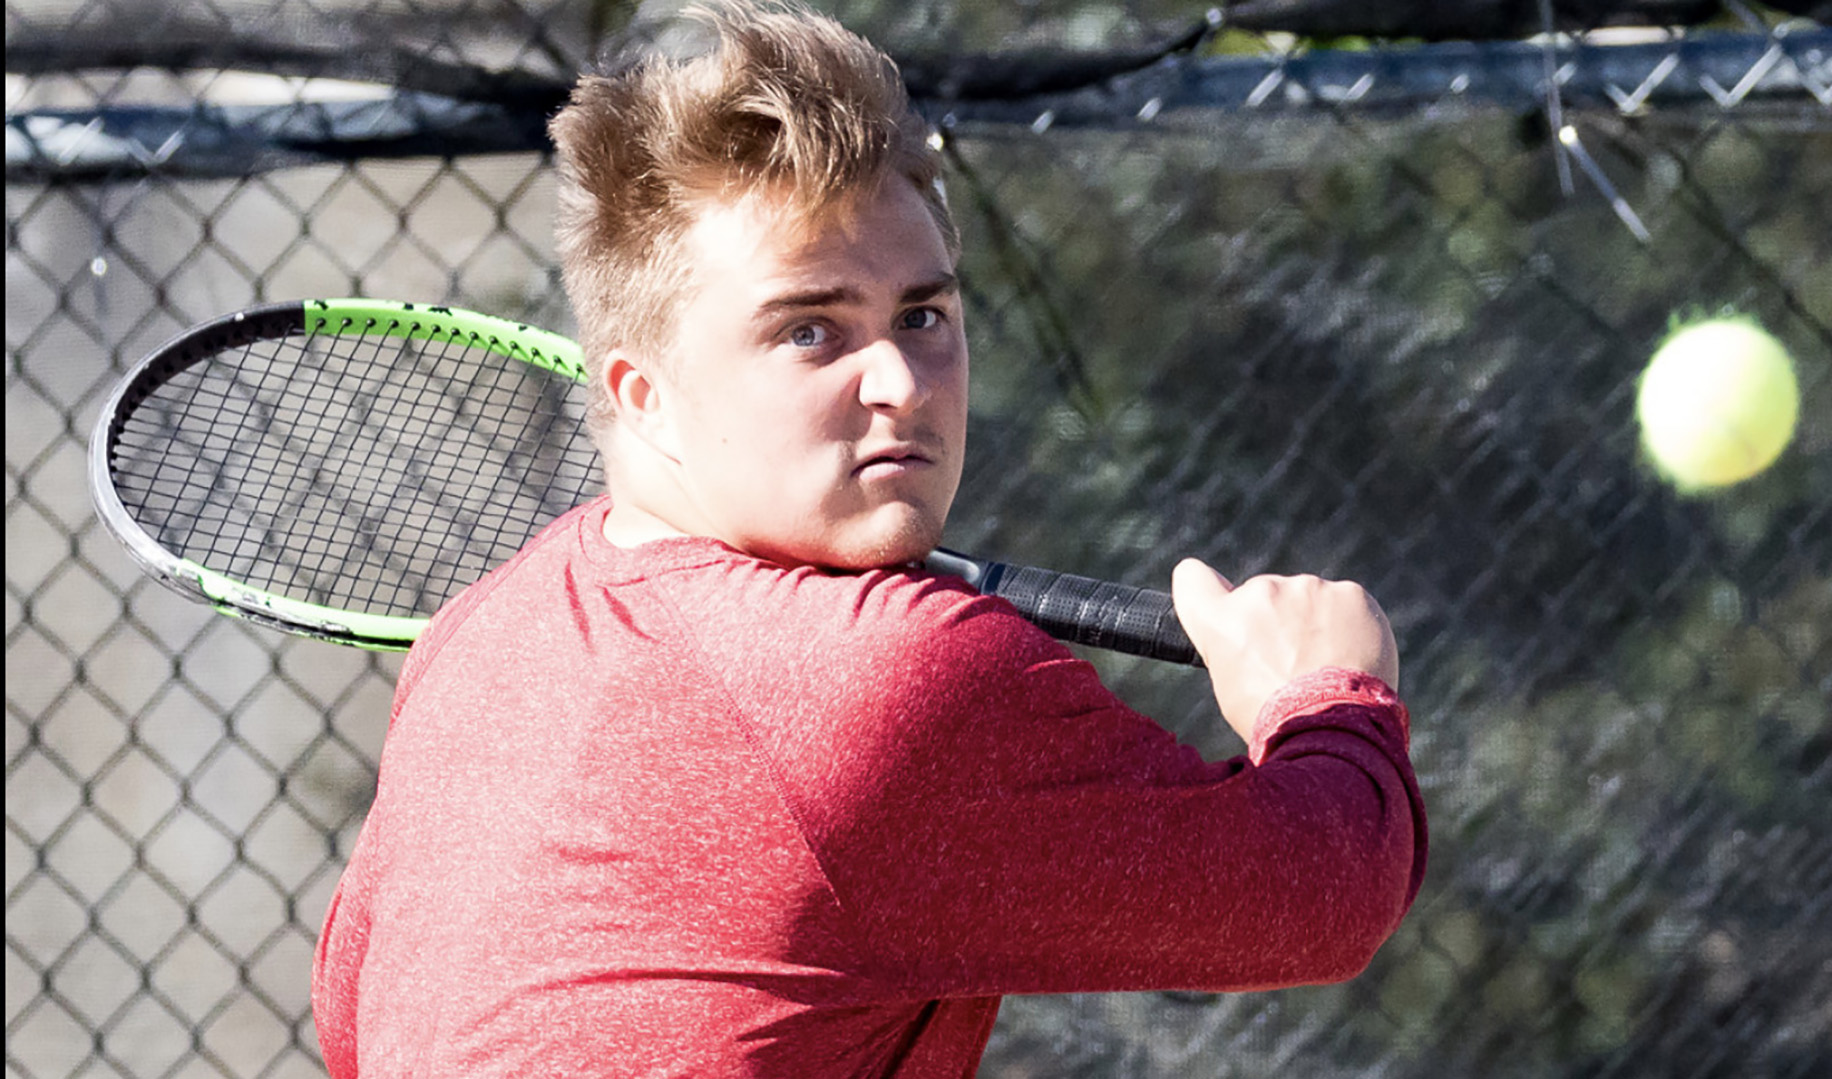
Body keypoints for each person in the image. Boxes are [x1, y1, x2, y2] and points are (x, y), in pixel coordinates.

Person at [310, 2, 1426, 1075]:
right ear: (642, 395)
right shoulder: (894, 672)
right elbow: (1317, 893)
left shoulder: (478, 635)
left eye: (922, 315)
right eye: (810, 329)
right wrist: (1327, 699)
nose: (899, 381)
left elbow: (354, 1018)